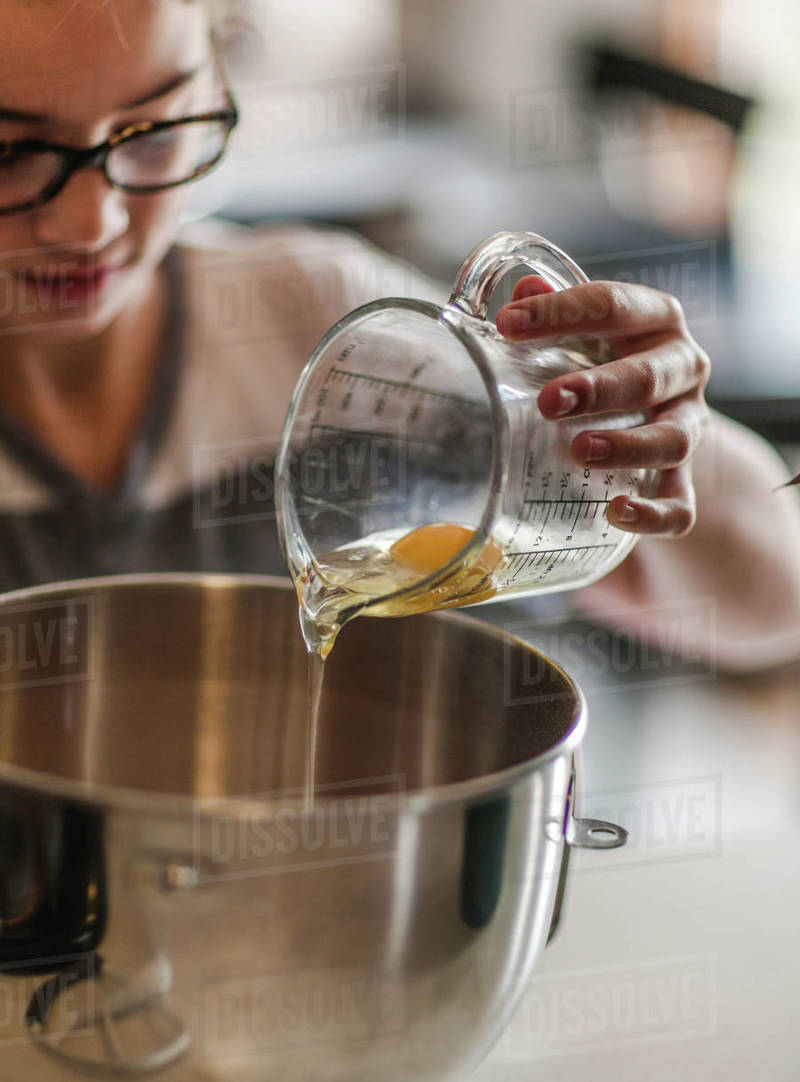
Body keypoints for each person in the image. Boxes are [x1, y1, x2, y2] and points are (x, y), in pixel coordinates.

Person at [0, 0, 798, 673]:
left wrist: (652, 443)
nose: (91, 221)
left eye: (151, 133)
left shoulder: (317, 322)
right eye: (8, 152)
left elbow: (775, 605)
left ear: (216, 78)